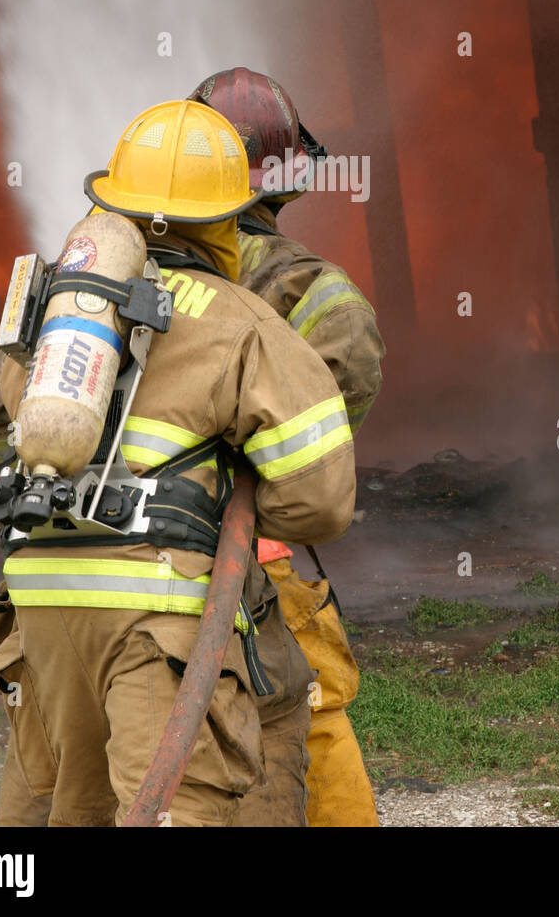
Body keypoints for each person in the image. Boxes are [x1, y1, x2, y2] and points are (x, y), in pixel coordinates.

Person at [0, 99, 355, 827]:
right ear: (227, 218)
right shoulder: (239, 321)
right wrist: (208, 506)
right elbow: (322, 499)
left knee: (65, 808)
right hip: (159, 622)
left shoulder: (58, 312)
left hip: (39, 612)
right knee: (169, 810)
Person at [189, 68, 384, 828]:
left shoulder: (118, 270)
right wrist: (286, 475)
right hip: (256, 568)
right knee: (311, 712)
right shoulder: (303, 285)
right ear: (284, 178)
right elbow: (355, 358)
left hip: (123, 568)